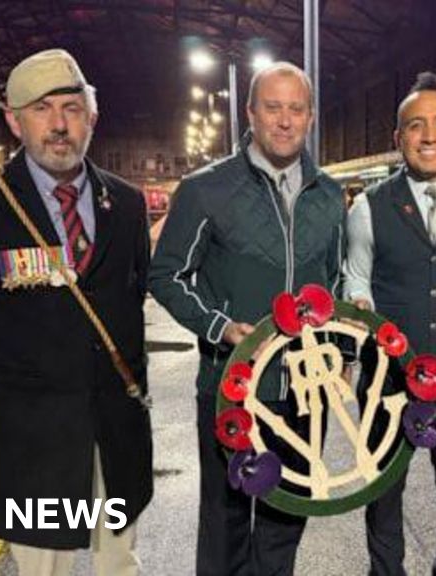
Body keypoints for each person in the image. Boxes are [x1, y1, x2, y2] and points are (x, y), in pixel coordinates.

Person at [0, 49, 153, 576]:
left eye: (72, 108)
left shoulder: (127, 202)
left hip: (116, 428)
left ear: (91, 118)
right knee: (41, 570)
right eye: (41, 108)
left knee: (119, 564)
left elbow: (129, 293)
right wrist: (10, 386)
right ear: (13, 119)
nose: (58, 124)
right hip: (32, 437)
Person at [148, 61, 345, 575]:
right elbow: (167, 275)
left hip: (305, 388)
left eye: (295, 109)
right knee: (227, 517)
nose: (284, 120)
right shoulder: (205, 189)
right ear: (251, 113)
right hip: (231, 385)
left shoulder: (328, 195)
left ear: (311, 118)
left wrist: (342, 352)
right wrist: (220, 327)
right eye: (273, 107)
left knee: (287, 516)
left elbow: (337, 282)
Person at [344, 71, 436, 576]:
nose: (429, 136)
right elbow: (356, 281)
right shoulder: (367, 208)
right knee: (382, 495)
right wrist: (359, 306)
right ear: (398, 138)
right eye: (415, 126)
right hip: (388, 385)